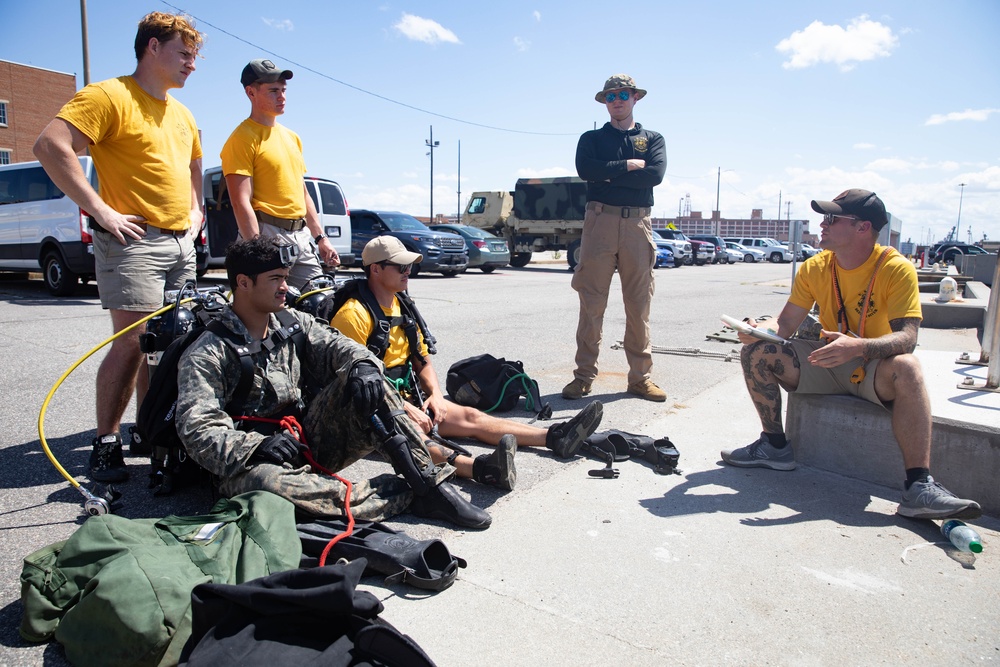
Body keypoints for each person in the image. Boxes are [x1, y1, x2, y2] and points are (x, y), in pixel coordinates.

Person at [175, 236, 493, 529]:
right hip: (251, 462)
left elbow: (339, 346)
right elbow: (197, 430)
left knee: (371, 383)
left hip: (302, 440)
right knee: (272, 488)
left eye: (285, 278)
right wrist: (258, 446)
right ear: (243, 283)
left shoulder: (290, 321)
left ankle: (427, 482)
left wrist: (363, 366)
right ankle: (402, 494)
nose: (285, 287)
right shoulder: (208, 352)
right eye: (275, 279)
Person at [721, 189, 981, 520]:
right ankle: (774, 446)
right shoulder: (816, 266)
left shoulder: (895, 268)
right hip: (829, 361)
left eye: (832, 218)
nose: (822, 224)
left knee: (909, 367)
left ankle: (919, 487)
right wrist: (759, 329)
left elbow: (908, 337)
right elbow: (786, 323)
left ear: (862, 228)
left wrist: (859, 346)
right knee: (759, 351)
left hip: (874, 366)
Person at [34, 12, 205, 483]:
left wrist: (195, 215)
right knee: (130, 343)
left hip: (180, 245)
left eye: (195, 57)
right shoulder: (109, 96)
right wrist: (100, 211)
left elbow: (194, 170)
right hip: (132, 243)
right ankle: (105, 444)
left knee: (166, 347)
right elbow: (50, 145)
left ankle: (148, 431)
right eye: (184, 54)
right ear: (152, 47)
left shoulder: (183, 113)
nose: (192, 65)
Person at [330, 237, 605, 471]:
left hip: (408, 398)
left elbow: (421, 359)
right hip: (370, 407)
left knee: (473, 418)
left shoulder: (402, 306)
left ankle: (556, 437)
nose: (408, 271)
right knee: (416, 440)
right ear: (376, 269)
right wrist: (405, 409)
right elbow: (355, 382)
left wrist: (436, 396)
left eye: (410, 265)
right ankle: (482, 470)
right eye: (401, 266)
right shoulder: (353, 315)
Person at [564, 74, 667, 403]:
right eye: (611, 96)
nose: (617, 100)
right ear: (605, 102)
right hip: (600, 222)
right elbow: (586, 170)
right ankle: (583, 377)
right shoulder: (591, 139)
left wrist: (608, 173)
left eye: (623, 94)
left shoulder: (653, 139)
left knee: (639, 306)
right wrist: (627, 166)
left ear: (636, 97)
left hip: (638, 225)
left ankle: (640, 378)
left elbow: (655, 175)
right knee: (591, 303)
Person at [220, 58, 338, 290]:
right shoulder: (241, 138)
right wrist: (257, 250)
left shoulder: (292, 137)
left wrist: (320, 238)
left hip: (301, 237)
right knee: (267, 313)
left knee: (319, 301)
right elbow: (240, 201)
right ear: (250, 92)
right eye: (273, 90)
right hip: (266, 235)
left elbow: (302, 194)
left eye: (284, 90)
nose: (281, 96)